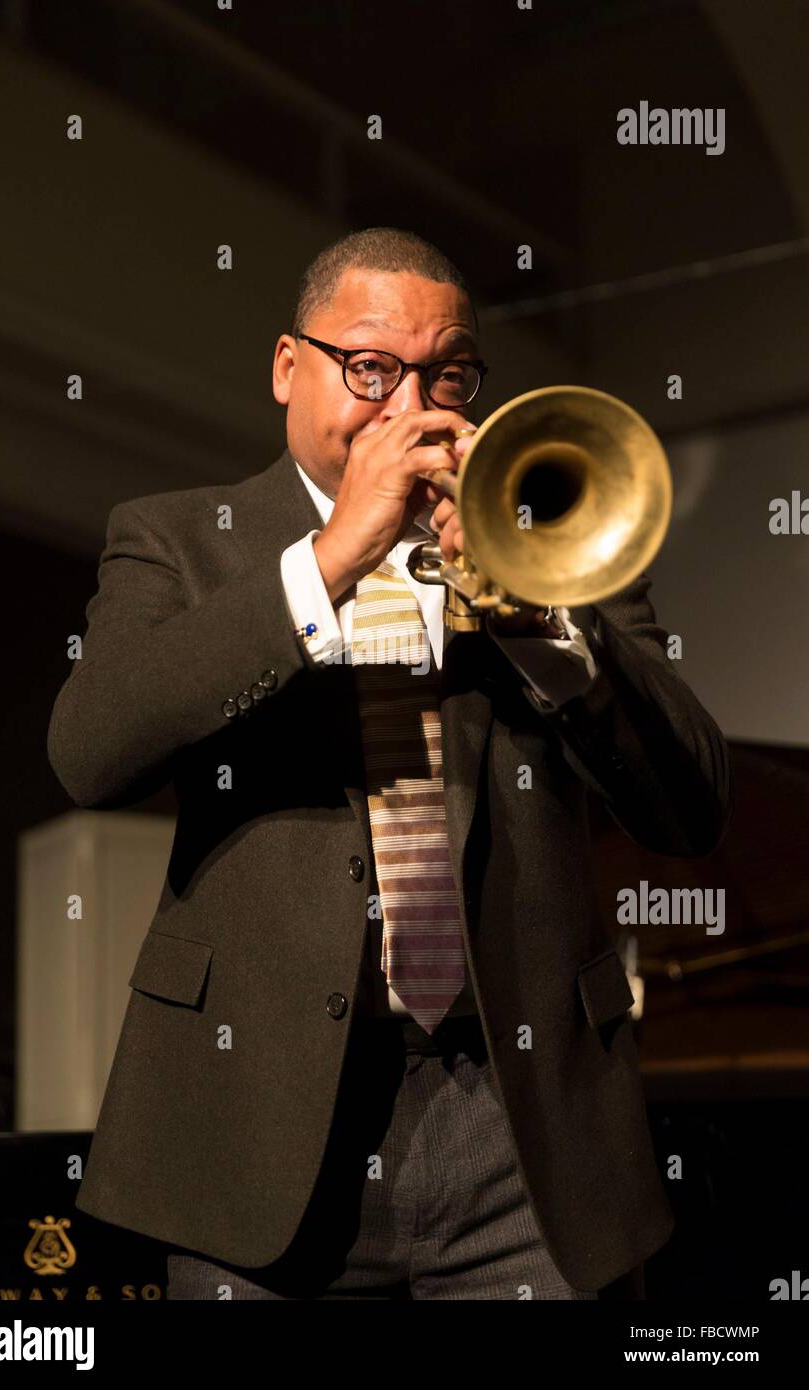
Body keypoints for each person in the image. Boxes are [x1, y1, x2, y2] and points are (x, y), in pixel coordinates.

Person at [47, 226, 733, 1300]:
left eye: (446, 371)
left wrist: (533, 612)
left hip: (524, 1129)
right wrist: (328, 562)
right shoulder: (179, 539)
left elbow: (690, 805)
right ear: (288, 368)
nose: (411, 402)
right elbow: (88, 752)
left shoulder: (552, 542)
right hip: (258, 1120)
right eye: (368, 367)